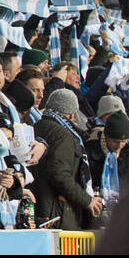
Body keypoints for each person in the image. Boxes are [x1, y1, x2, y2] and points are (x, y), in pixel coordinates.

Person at [31, 87, 100, 230]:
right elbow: (60, 175)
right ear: (71, 115)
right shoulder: (63, 135)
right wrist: (87, 200)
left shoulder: (35, 127)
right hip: (57, 212)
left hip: (37, 209)